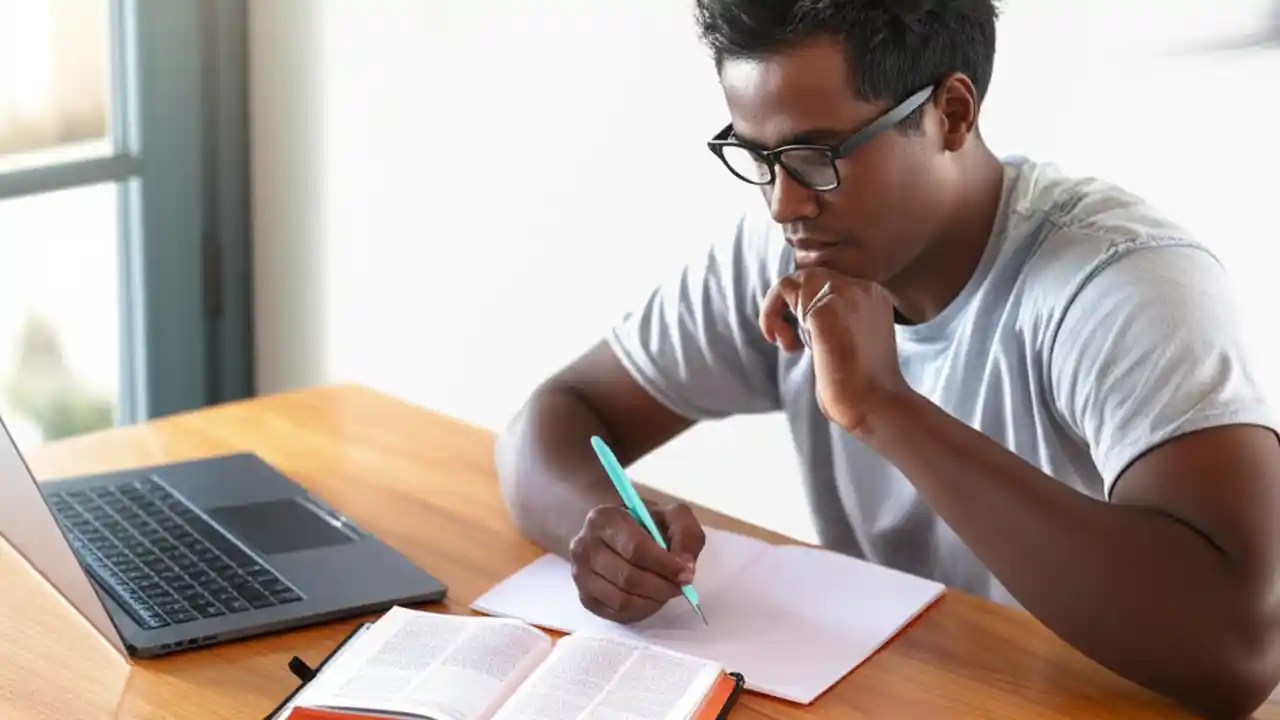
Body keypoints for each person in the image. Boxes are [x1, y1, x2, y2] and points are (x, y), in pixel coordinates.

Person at [494, 1, 1280, 716]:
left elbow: (1242, 653)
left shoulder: (1120, 286)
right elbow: (551, 420)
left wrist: (884, 408)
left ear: (951, 113)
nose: (782, 203)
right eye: (756, 155)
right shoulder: (786, 249)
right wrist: (596, 537)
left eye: (816, 154)